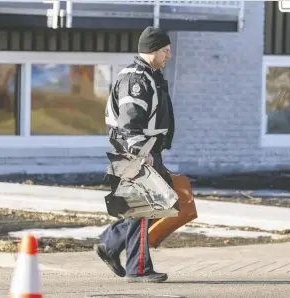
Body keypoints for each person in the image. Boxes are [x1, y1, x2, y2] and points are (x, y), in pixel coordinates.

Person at [94, 26, 175, 283]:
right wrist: (141, 153)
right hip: (137, 151)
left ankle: (110, 242)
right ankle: (138, 269)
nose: (169, 55)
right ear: (152, 50)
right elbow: (130, 122)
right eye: (165, 50)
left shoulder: (150, 74)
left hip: (147, 150)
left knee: (162, 204)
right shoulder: (137, 80)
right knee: (144, 209)